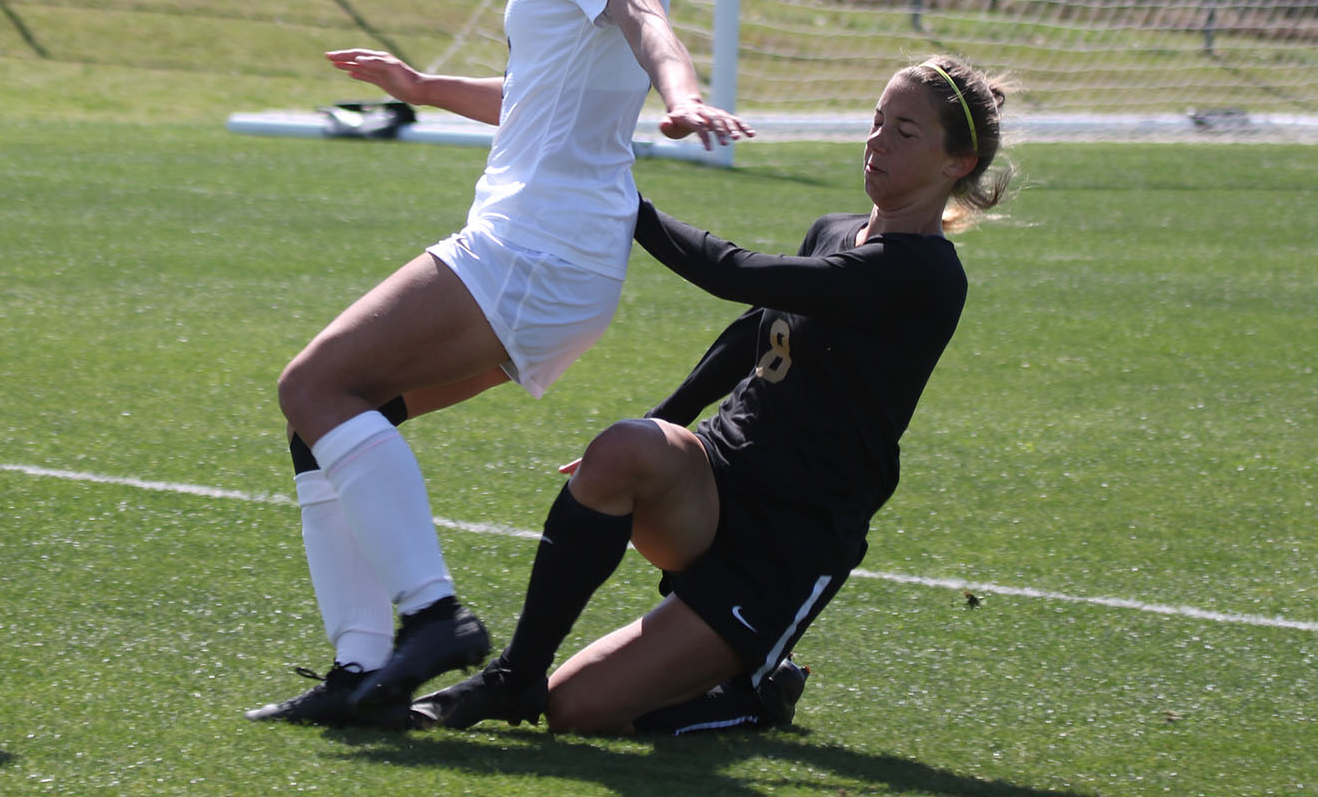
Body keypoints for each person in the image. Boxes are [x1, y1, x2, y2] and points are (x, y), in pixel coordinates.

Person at [248, 0, 754, 726]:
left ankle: (434, 619)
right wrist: (419, 86)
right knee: (332, 420)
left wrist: (684, 95)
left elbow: (646, 22)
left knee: (312, 386)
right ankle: (359, 670)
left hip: (536, 250)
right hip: (551, 256)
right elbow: (539, 95)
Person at [410, 55, 1013, 735]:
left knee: (578, 711)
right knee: (622, 449)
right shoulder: (837, 230)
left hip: (786, 543)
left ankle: (755, 690)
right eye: (877, 120)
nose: (876, 141)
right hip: (719, 481)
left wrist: (626, 204)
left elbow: (731, 274)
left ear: (956, 164)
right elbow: (754, 326)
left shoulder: (921, 275)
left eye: (905, 132)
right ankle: (513, 677)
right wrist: (665, 418)